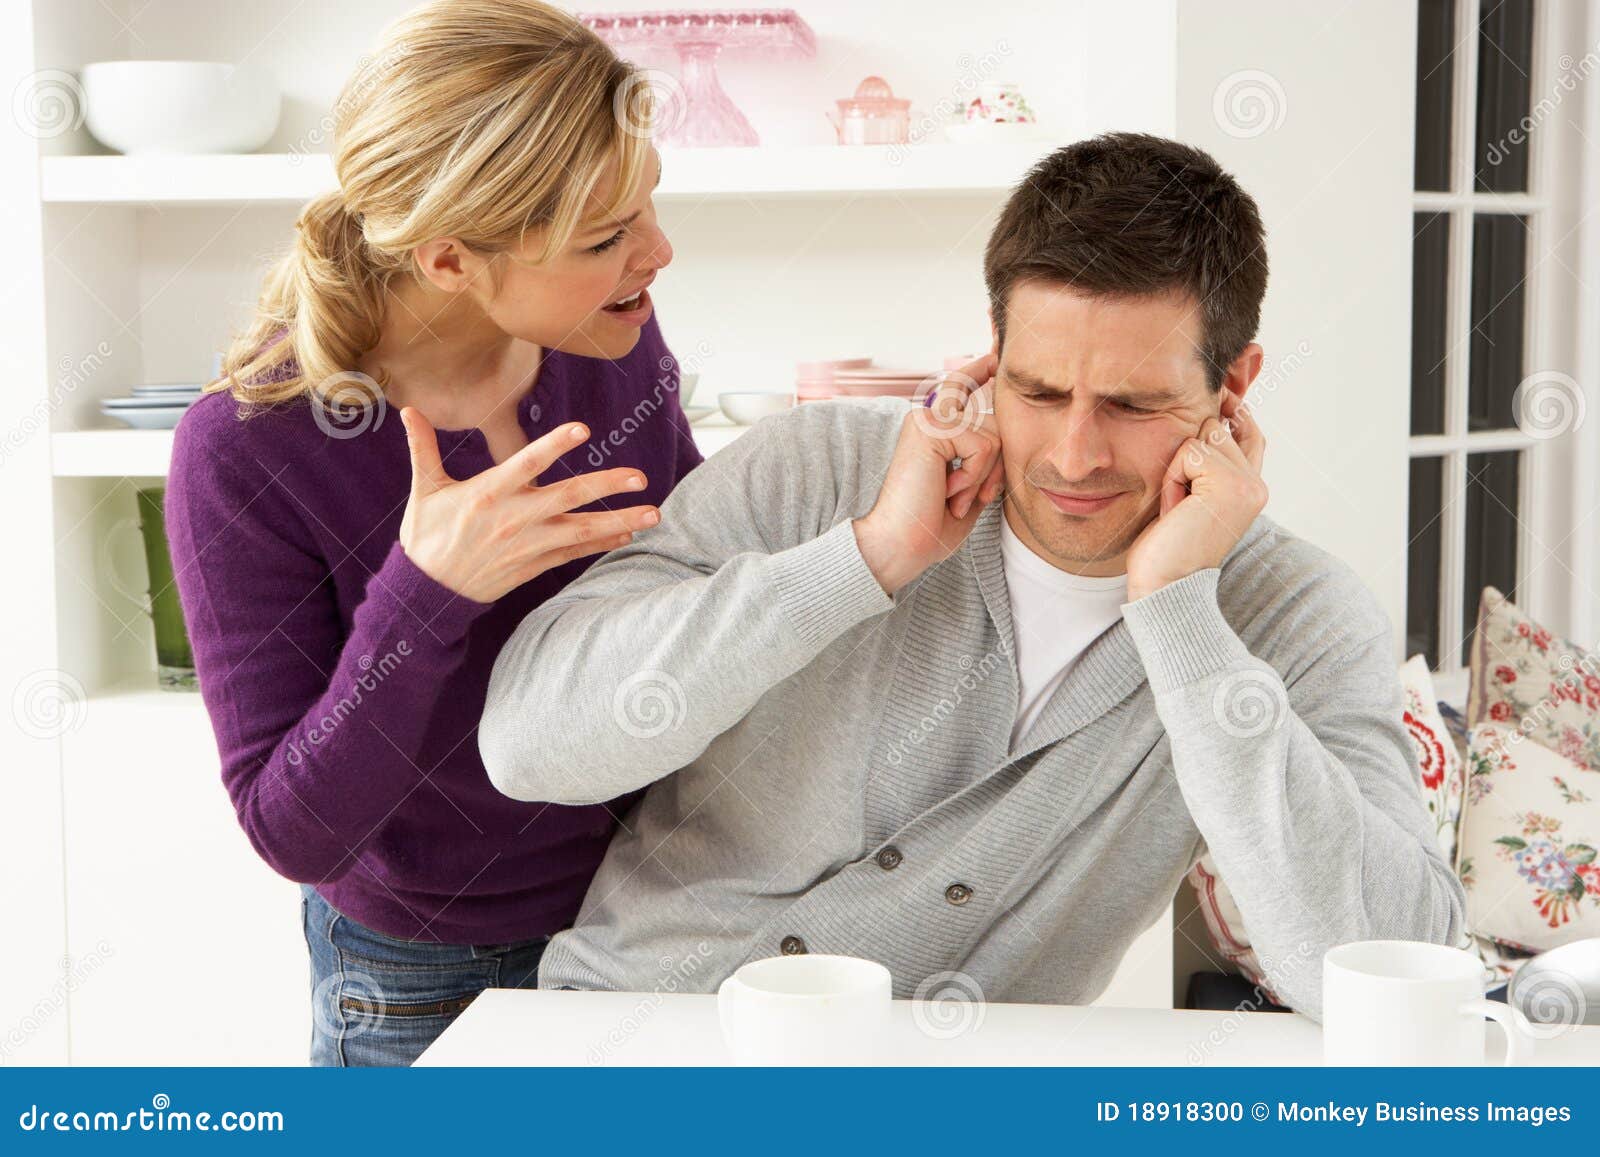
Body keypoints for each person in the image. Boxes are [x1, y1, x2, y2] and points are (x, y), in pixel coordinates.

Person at [477, 133, 1465, 1020]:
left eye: (1131, 403)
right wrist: (866, 557)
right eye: (1036, 390)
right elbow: (531, 746)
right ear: (990, 358)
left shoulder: (1294, 612)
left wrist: (1179, 615)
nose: (1074, 456)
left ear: (1233, 387)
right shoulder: (813, 468)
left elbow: (1378, 966)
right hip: (623, 1045)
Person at [166, 0, 696, 1065]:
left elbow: (690, 590)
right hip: (419, 975)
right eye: (604, 238)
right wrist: (427, 590)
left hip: (655, 914)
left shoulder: (606, 341)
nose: (659, 251)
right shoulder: (246, 445)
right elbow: (292, 828)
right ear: (451, 260)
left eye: (645, 207)